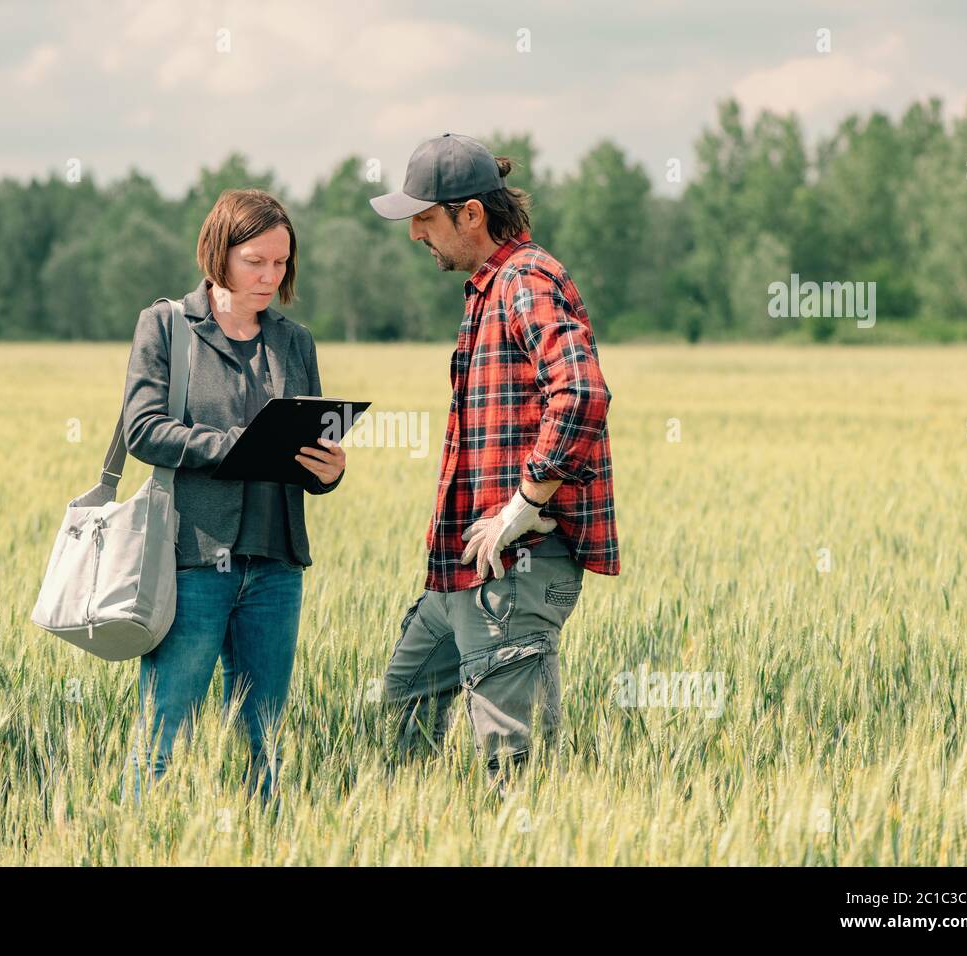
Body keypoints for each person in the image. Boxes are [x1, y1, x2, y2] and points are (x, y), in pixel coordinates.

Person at [370, 133, 619, 786]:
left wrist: (524, 504)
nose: (415, 235)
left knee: (514, 766)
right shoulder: (490, 287)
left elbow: (583, 391)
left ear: (470, 214)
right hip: (462, 572)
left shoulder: (525, 280)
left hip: (518, 570)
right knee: (400, 709)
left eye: (424, 219)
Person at [120, 188, 346, 803]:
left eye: (281, 263)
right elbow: (142, 429)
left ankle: (261, 844)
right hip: (194, 560)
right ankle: (143, 842)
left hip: (275, 564)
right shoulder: (166, 326)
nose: (270, 276)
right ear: (219, 253)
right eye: (256, 261)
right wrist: (235, 447)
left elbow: (305, 440)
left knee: (264, 741)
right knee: (164, 732)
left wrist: (327, 468)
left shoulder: (295, 340)